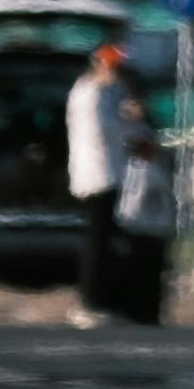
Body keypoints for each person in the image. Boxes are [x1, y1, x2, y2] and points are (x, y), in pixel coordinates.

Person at [67, 35, 138, 318]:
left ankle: (105, 299)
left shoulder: (105, 92)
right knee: (97, 241)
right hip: (98, 174)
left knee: (107, 241)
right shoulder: (89, 93)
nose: (115, 73)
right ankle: (91, 301)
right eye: (112, 67)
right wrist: (128, 120)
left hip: (110, 173)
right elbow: (103, 131)